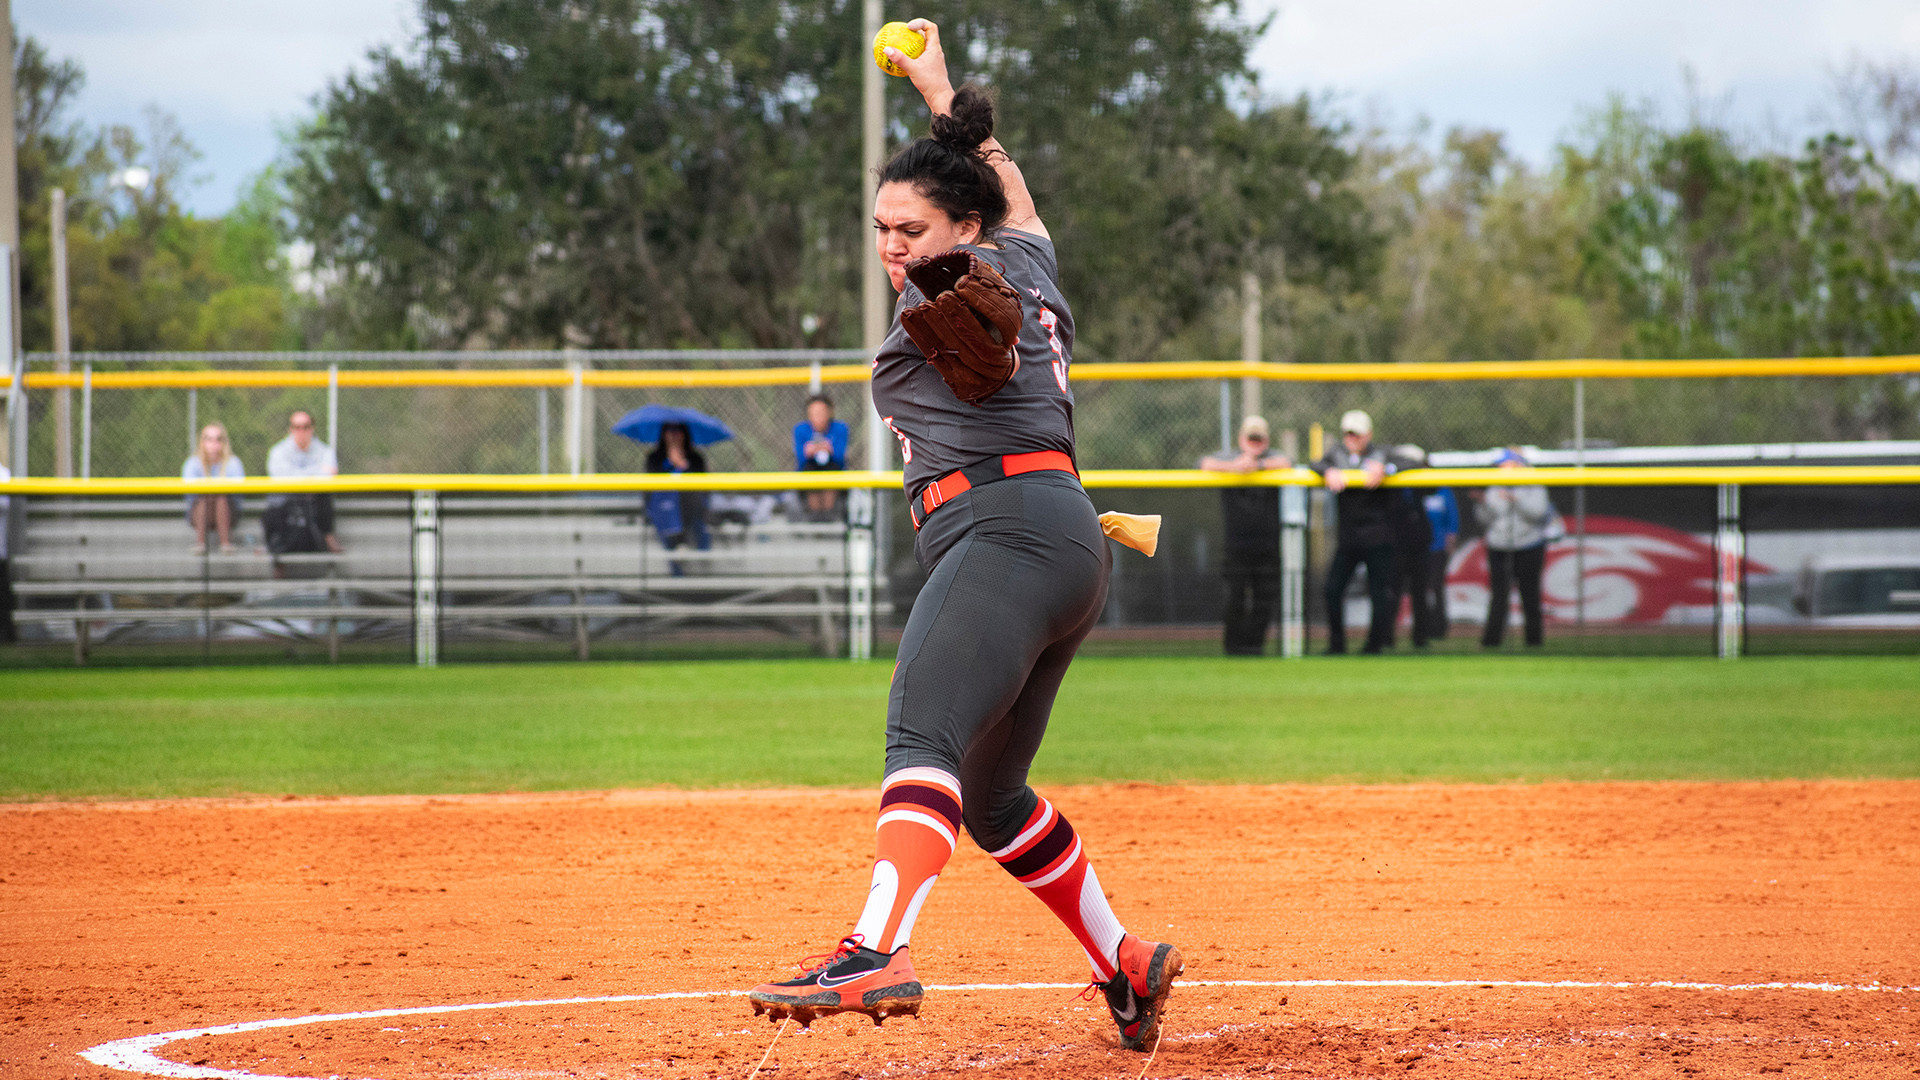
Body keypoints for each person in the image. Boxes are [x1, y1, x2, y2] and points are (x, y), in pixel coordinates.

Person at [746, 22, 1182, 1053]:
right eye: (882, 227)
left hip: (999, 528)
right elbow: (1013, 193)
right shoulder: (1025, 252)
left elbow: (985, 253)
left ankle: (874, 948)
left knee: (920, 735)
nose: (894, 246)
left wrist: (948, 285)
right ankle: (1122, 961)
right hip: (1068, 541)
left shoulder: (962, 284)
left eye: (912, 229)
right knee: (988, 796)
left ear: (963, 228)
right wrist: (940, 88)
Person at [1200, 415, 1292, 655]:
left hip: (1268, 544)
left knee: (1264, 600)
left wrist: (1257, 466)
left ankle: (1254, 647)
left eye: (1259, 438)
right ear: (1241, 439)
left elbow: (1288, 461)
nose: (1255, 442)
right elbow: (1204, 463)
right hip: (1237, 545)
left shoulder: (1273, 458)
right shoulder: (1228, 457)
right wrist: (1236, 467)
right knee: (1234, 598)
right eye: (1251, 438)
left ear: (1266, 440)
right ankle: (1233, 648)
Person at [1310, 409, 1398, 654]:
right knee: (1331, 589)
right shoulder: (1336, 454)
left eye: (1357, 434)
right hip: (1349, 538)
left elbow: (1411, 461)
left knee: (1379, 592)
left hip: (1378, 535)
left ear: (1368, 434)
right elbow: (1315, 463)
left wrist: (1386, 469)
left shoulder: (1382, 453)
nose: (1352, 438)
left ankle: (1375, 645)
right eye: (1348, 434)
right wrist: (1328, 470)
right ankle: (1337, 644)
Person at [1475, 447, 1555, 648]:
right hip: (1499, 546)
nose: (1501, 468)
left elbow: (1538, 512)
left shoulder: (1533, 483)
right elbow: (1485, 519)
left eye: (1505, 464)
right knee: (1499, 595)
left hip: (1529, 545)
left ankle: (1534, 641)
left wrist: (1515, 499)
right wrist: (1483, 503)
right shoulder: (1493, 486)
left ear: (1518, 464)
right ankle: (1492, 641)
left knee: (1530, 594)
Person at [264, 410, 343, 555]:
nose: (301, 431)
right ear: (290, 429)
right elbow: (279, 477)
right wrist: (315, 472)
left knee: (324, 496)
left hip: (314, 500)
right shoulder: (278, 451)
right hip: (287, 500)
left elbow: (329, 477)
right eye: (297, 427)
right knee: (274, 507)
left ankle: (328, 538)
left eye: (305, 427)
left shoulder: (324, 451)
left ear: (312, 428)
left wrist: (296, 476)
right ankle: (277, 559)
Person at [644, 421, 710, 567]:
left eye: (678, 431)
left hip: (691, 509)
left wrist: (682, 465)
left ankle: (686, 545)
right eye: (670, 431)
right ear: (663, 434)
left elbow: (704, 488)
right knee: (667, 509)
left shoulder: (696, 458)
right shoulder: (654, 458)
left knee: (690, 500)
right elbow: (650, 489)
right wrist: (670, 463)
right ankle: (677, 566)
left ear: (685, 434)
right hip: (663, 508)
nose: (674, 435)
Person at [1387, 445, 1435, 648]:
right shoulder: (1391, 476)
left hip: (1418, 545)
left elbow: (1434, 487)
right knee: (1390, 593)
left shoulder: (1419, 485)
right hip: (1395, 545)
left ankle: (1420, 638)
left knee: (1420, 593)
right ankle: (1385, 637)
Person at [182, 422, 245, 554]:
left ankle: (225, 545)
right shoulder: (193, 463)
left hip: (228, 511)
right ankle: (201, 545)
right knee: (204, 498)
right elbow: (189, 493)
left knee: (220, 498)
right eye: (208, 439)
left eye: (218, 439)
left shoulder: (233, 462)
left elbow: (238, 492)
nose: (213, 444)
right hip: (199, 511)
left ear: (224, 443)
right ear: (202, 442)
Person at [792, 393, 850, 519]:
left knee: (832, 473)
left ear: (829, 413)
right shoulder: (801, 429)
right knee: (810, 472)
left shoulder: (840, 428)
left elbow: (841, 459)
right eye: (813, 413)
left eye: (821, 412)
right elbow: (800, 461)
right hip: (810, 470)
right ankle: (815, 518)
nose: (817, 417)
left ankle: (829, 517)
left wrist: (829, 449)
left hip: (833, 470)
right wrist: (809, 451)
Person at [1420, 484, 1460, 639]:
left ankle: (1439, 628)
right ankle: (1423, 628)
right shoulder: (1413, 488)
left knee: (1436, 587)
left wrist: (1451, 537)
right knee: (1421, 589)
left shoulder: (1444, 491)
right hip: (1418, 547)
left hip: (1437, 547)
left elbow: (1453, 516)